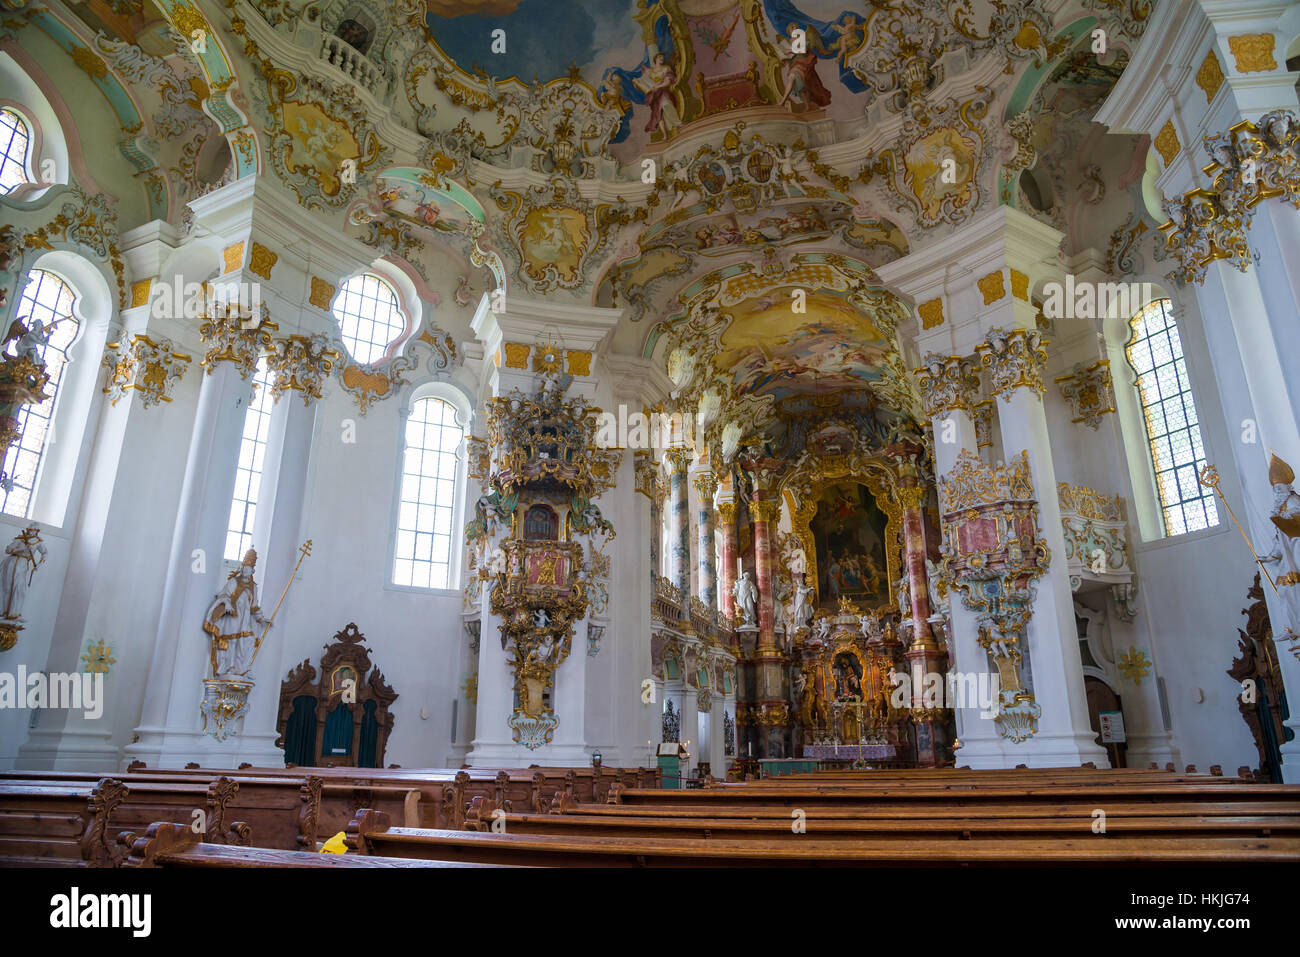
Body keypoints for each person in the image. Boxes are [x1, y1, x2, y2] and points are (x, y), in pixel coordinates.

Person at [204, 549, 270, 678]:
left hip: (245, 619)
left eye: (248, 568)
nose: (245, 570)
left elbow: (254, 606)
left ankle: (243, 668)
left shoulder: (253, 587)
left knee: (249, 640)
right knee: (232, 641)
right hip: (233, 616)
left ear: (252, 571)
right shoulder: (233, 582)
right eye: (244, 567)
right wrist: (227, 604)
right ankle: (229, 667)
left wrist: (262, 619)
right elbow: (223, 595)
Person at [0, 525, 45, 621]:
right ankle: (4, 612)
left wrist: (39, 564)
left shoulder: (38, 542)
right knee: (7, 586)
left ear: (37, 531)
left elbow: (45, 553)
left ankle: (15, 613)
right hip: (11, 562)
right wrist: (22, 549)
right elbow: (8, 550)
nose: (30, 532)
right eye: (29, 529)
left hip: (22, 564)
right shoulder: (20, 538)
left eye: (33, 530)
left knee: (20, 588)